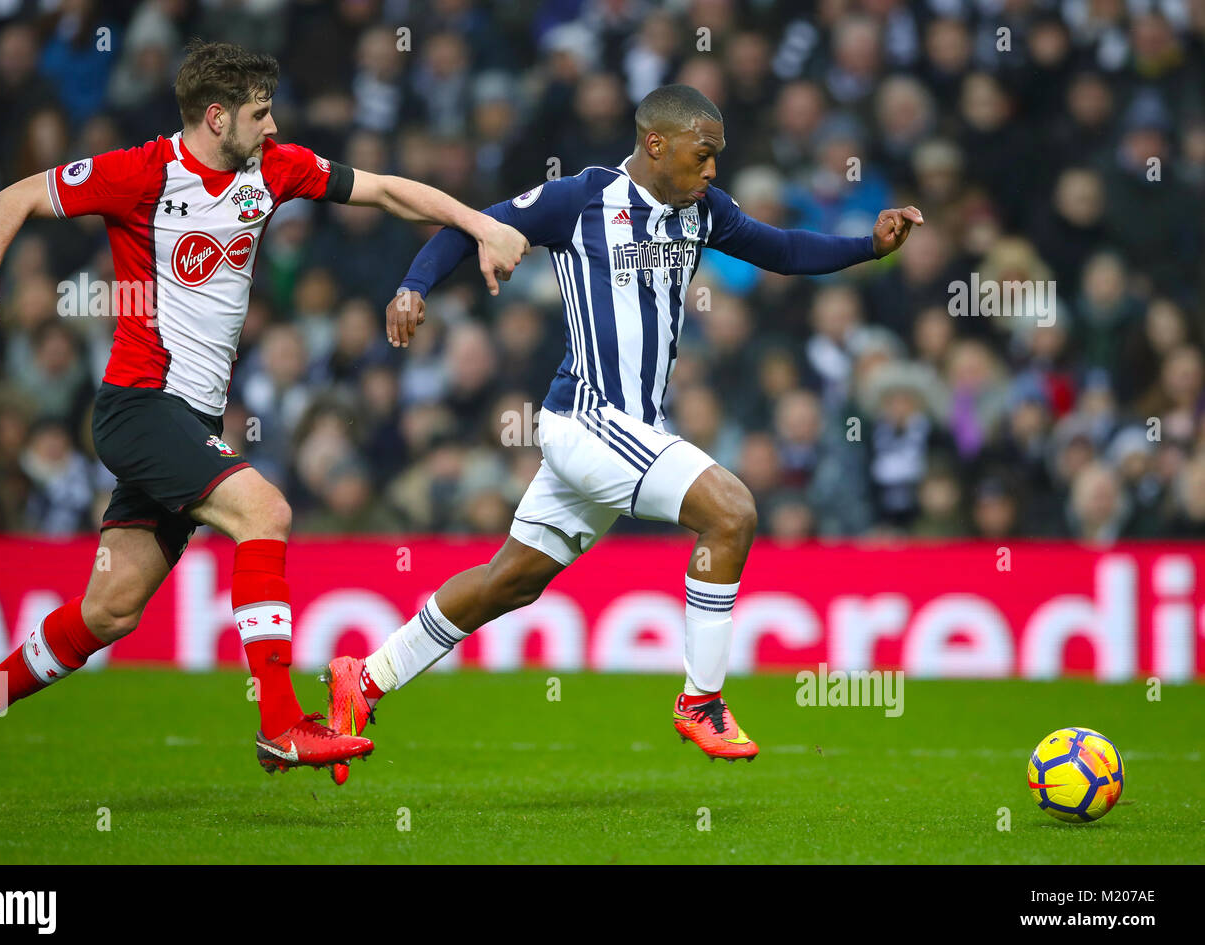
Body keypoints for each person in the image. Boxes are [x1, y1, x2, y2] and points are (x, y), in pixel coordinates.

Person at [0, 40, 528, 798]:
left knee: (109, 611)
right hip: (138, 405)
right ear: (216, 116)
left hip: (188, 418)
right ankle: (279, 721)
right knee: (263, 510)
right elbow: (14, 199)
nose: (272, 129)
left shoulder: (273, 169)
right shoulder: (139, 172)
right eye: (259, 115)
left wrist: (480, 224)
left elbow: (388, 192)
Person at [324, 84, 921, 782]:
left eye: (718, 159)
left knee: (509, 582)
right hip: (587, 419)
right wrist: (412, 287)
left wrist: (868, 247)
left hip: (626, 430)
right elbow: (470, 227)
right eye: (704, 155)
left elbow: (782, 249)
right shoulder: (578, 199)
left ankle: (363, 679)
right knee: (732, 512)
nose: (713, 172)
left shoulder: (705, 210)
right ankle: (701, 702)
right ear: (657, 144)